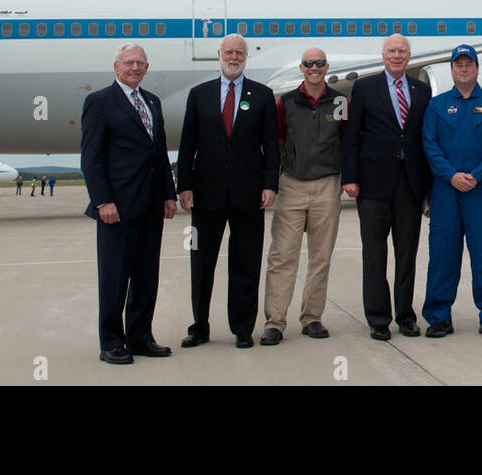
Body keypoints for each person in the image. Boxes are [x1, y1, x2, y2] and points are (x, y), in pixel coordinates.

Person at [176, 34, 280, 349]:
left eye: (239, 53)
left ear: (246, 57)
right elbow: (187, 144)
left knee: (245, 263)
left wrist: (269, 184)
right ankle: (199, 326)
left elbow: (271, 147)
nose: (234, 57)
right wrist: (185, 186)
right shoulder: (199, 95)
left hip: (249, 194)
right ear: (219, 55)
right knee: (201, 262)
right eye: (229, 52)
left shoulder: (262, 95)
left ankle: (243, 327)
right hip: (206, 194)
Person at [80, 42, 178, 365]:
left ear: (147, 68)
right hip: (117, 208)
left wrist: (168, 194)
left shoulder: (152, 102)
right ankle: (110, 340)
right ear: (116, 67)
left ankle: (140, 336)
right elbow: (91, 159)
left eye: (140, 63)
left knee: (146, 275)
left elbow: (159, 152)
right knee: (114, 276)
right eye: (128, 62)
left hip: (150, 205)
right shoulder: (99, 102)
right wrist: (102, 200)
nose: (135, 67)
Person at [342, 34, 432, 341]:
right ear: (383, 55)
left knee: (407, 254)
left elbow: (424, 139)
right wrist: (350, 177)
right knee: (374, 255)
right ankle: (378, 318)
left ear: (409, 56)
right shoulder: (364, 88)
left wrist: (429, 184)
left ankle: (406, 316)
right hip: (372, 184)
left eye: (402, 51)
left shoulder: (421, 90)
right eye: (392, 51)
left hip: (410, 184)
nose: (397, 56)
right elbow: (352, 136)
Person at [421, 45, 482, 338]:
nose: (464, 69)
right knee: (442, 257)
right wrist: (451, 176)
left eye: (468, 64)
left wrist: (477, 175)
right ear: (451, 69)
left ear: (477, 68)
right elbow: (429, 144)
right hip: (447, 194)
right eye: (458, 64)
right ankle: (438, 317)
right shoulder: (437, 106)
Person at [261, 47, 346, 345]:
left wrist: (347, 179)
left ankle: (312, 317)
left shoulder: (340, 101)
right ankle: (275, 322)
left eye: (319, 63)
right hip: (293, 184)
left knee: (320, 257)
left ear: (326, 66)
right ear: (301, 67)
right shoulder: (286, 103)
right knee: (282, 256)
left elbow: (345, 139)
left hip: (327, 184)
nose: (314, 67)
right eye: (309, 63)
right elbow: (279, 139)